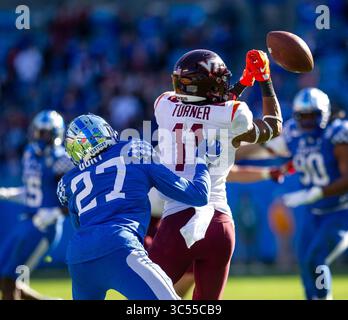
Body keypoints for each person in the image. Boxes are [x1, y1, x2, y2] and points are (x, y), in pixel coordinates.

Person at [148, 48, 282, 299]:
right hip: (219, 224)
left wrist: (242, 84)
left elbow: (202, 107)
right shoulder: (234, 114)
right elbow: (273, 125)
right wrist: (264, 79)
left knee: (145, 299)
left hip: (177, 221)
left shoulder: (164, 105)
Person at [57, 114, 218, 300]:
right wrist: (202, 161)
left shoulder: (70, 181)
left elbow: (80, 226)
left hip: (79, 257)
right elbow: (197, 195)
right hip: (119, 245)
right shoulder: (133, 151)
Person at [253, 88, 348, 299]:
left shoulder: (338, 133)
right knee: (306, 263)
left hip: (341, 211)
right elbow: (264, 149)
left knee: (316, 259)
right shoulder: (293, 133)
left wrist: (317, 192)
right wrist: (233, 147)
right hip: (313, 212)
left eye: (312, 115)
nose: (306, 121)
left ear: (324, 113)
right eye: (302, 116)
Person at [0, 110, 72, 300]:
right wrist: (8, 193)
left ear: (55, 133)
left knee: (10, 279)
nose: (39, 136)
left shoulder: (62, 159)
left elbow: (75, 198)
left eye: (44, 132)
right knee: (3, 277)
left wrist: (55, 212)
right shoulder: (30, 153)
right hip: (26, 221)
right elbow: (34, 193)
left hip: (43, 227)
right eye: (38, 131)